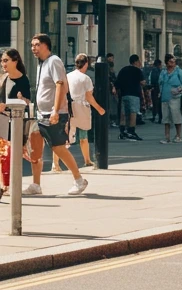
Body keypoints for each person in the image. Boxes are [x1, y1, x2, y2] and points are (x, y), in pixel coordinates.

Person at [25, 34, 88, 197]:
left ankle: (79, 180)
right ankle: (36, 184)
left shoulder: (54, 61)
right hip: (41, 113)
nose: (34, 48)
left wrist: (55, 110)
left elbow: (61, 85)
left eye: (37, 45)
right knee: (36, 148)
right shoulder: (42, 63)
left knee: (58, 147)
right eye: (32, 45)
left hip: (54, 113)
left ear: (46, 45)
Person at [0, 48, 32, 201]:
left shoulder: (23, 80)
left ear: (15, 61)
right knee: (3, 154)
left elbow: (27, 103)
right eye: (2, 61)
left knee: (9, 154)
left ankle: (7, 185)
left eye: (6, 60)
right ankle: (4, 185)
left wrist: (20, 99)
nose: (3, 63)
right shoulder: (3, 78)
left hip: (14, 121)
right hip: (1, 120)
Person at [66, 54, 105, 168]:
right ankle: (87, 160)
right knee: (83, 135)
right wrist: (99, 108)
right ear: (86, 63)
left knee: (65, 135)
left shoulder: (68, 76)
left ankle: (56, 164)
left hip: (69, 106)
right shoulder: (86, 78)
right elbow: (89, 96)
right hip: (82, 107)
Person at [158, 54, 182, 143]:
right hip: (165, 97)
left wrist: (179, 89)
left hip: (175, 96)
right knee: (166, 118)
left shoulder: (178, 71)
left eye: (174, 62)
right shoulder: (163, 72)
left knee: (176, 116)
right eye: (171, 62)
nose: (173, 63)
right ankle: (167, 137)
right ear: (166, 62)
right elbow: (160, 83)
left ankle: (178, 135)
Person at [115, 54, 145, 142]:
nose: (140, 63)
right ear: (136, 61)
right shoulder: (137, 71)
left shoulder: (123, 70)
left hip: (124, 94)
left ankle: (122, 132)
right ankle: (131, 131)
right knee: (133, 113)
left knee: (123, 114)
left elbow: (117, 83)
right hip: (134, 94)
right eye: (139, 61)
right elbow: (143, 82)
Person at [148, 57, 162, 123]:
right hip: (158, 88)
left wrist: (152, 86)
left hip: (155, 88)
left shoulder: (154, 70)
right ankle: (159, 117)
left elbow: (153, 80)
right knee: (158, 103)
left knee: (155, 102)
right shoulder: (159, 71)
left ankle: (155, 116)